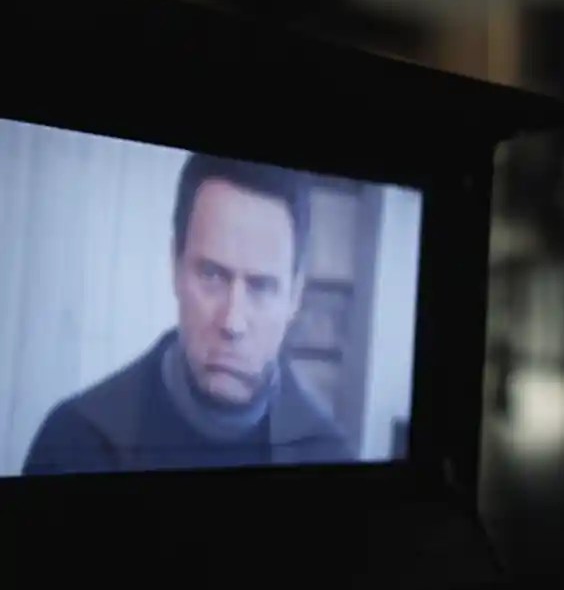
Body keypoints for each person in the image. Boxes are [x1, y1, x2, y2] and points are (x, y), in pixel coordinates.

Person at [23, 153, 354, 475]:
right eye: (211, 275)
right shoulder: (74, 444)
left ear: (295, 296)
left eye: (261, 287)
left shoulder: (332, 456)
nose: (232, 322)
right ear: (175, 266)